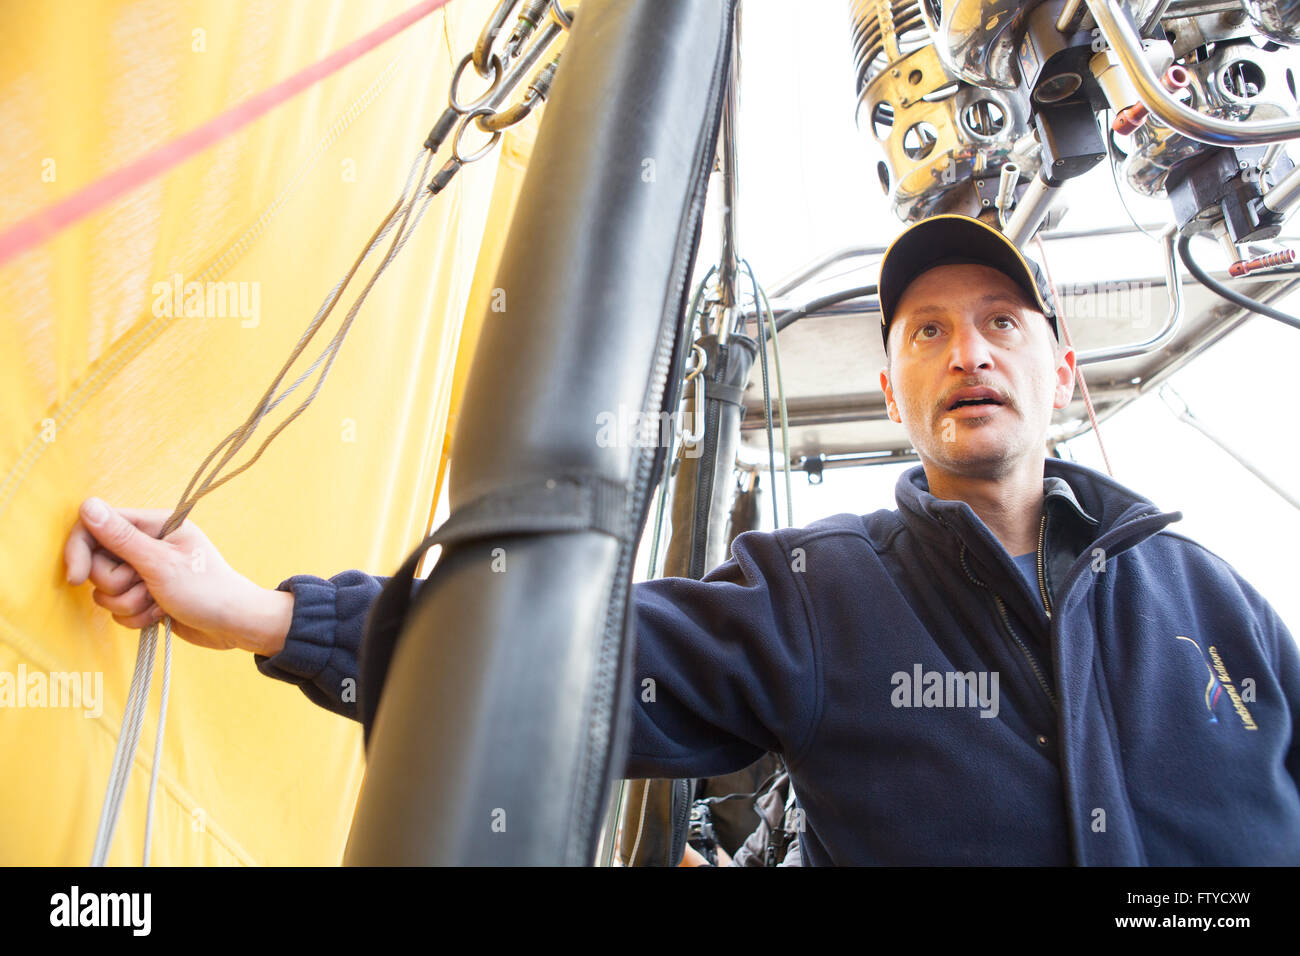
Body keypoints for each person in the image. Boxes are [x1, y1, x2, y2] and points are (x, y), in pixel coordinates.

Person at [64, 214, 1300, 865]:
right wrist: (267, 614)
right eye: (924, 331)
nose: (966, 351)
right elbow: (550, 668)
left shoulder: (1210, 595)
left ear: (1060, 365)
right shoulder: (820, 593)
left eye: (997, 322)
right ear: (888, 392)